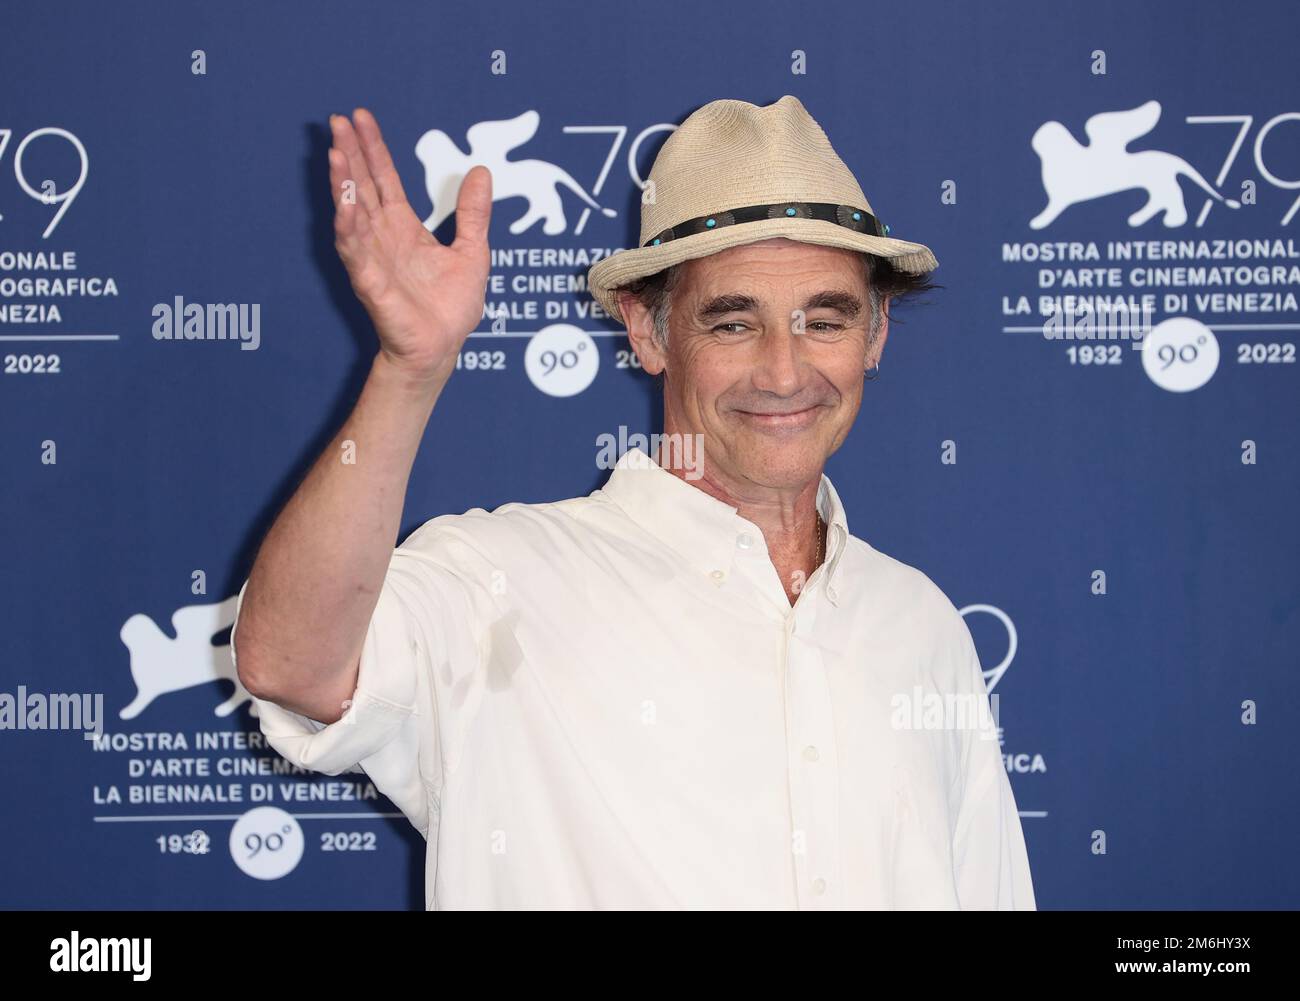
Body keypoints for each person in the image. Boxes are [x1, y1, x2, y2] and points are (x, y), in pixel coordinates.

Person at [231, 94, 1036, 910]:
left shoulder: (920, 623)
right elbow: (289, 661)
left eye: (824, 320)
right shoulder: (497, 586)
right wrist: (410, 370)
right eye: (732, 324)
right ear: (647, 331)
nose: (786, 372)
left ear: (877, 333)